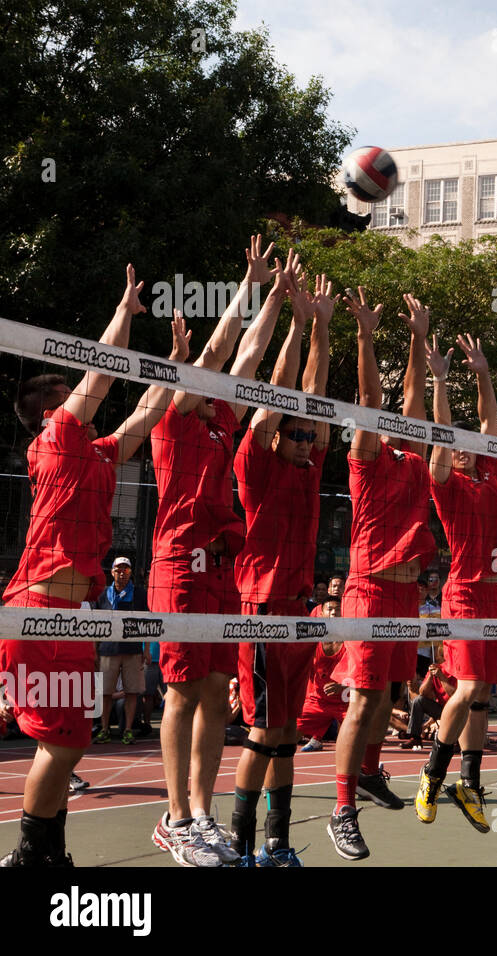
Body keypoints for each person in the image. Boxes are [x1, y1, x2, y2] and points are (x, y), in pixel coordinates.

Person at [1, 274, 188, 868]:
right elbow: (104, 370)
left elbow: (138, 420)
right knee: (64, 742)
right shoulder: (54, 438)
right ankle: (30, 855)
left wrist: (176, 368)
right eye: (68, 381)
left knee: (69, 741)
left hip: (72, 618)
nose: (80, 387)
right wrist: (122, 312)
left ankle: (49, 851)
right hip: (40, 613)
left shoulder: (92, 450)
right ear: (53, 407)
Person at [150, 238, 293, 867]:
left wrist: (279, 295)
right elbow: (217, 350)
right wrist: (247, 284)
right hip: (178, 562)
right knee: (182, 693)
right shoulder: (176, 414)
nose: (224, 380)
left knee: (214, 692)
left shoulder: (221, 419)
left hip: (219, 569)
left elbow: (252, 353)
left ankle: (202, 813)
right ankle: (175, 817)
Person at [327, 289, 438, 861]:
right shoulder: (366, 459)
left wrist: (419, 337)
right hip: (369, 588)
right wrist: (367, 336)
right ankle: (342, 808)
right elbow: (373, 396)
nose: (399, 418)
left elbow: (413, 396)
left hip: (405, 595)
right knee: (363, 699)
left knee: (384, 696)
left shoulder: (413, 458)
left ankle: (369, 772)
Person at [228, 270, 333, 867]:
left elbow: (311, 396)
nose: (303, 437)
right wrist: (292, 326)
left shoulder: (309, 468)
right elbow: (278, 398)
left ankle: (277, 842)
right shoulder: (258, 464)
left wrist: (318, 324)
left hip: (300, 612)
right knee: (263, 734)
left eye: (307, 433)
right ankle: (241, 844)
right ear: (274, 436)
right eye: (293, 433)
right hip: (263, 614)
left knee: (288, 736)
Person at [415, 332, 497, 834]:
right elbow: (444, 429)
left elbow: (489, 420)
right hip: (465, 595)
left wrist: (483, 372)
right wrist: (440, 380)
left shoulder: (489, 475)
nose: (466, 449)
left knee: (482, 695)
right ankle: (431, 775)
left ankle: (468, 781)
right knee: (469, 684)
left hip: (496, 597)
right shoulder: (447, 484)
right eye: (458, 448)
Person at [94, 557, 149, 745]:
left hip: (133, 650)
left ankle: (127, 730)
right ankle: (104, 729)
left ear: (130, 572)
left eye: (125, 570)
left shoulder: (140, 594)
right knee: (105, 693)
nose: (122, 573)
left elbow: (148, 623)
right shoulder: (103, 595)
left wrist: (147, 649)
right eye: (118, 569)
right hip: (108, 650)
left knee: (132, 692)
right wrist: (95, 650)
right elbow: (95, 625)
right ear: (112, 572)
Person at [298, 639, 346, 753]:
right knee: (285, 733)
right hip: (318, 702)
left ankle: (367, 768)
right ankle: (316, 738)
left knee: (351, 741)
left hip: (346, 703)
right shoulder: (314, 642)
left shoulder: (351, 643)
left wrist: (343, 686)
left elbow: (362, 676)